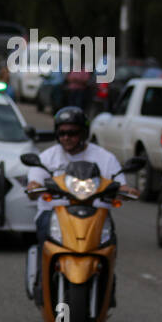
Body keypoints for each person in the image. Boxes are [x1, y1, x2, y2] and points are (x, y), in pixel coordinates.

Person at [26, 106, 137, 301]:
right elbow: (34, 183)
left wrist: (126, 191)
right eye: (62, 133)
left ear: (83, 133)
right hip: (55, 214)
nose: (66, 138)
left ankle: (107, 285)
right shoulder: (47, 158)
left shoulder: (105, 158)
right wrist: (34, 186)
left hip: (95, 214)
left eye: (72, 133)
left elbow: (121, 186)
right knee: (44, 231)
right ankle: (43, 282)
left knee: (110, 242)